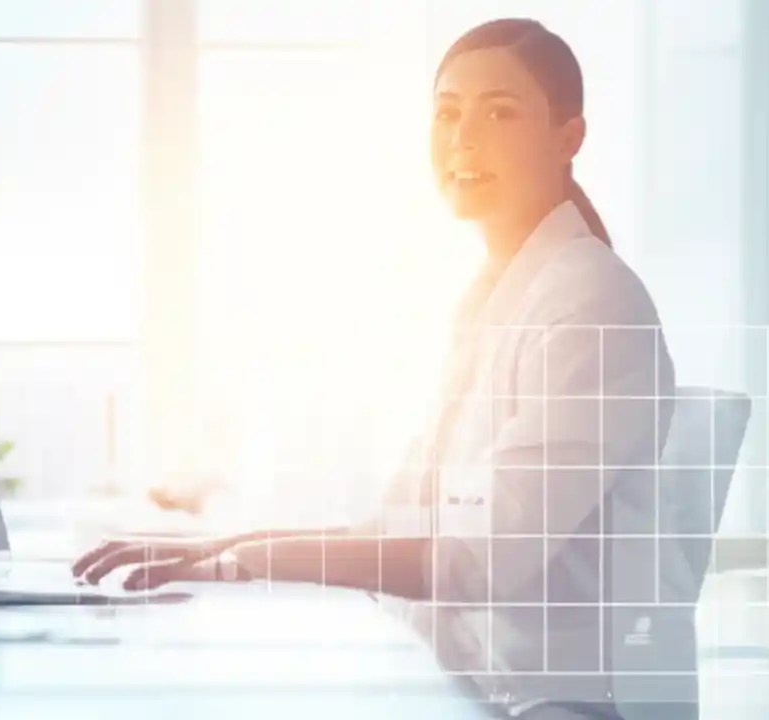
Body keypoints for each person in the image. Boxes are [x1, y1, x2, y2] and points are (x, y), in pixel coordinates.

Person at [75, 18, 687, 720]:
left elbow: (478, 559)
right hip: (463, 684)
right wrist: (224, 547)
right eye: (448, 113)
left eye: (499, 112)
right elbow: (395, 525)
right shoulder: (492, 296)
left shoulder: (589, 298)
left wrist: (249, 560)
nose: (463, 137)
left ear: (568, 138)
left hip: (552, 704)